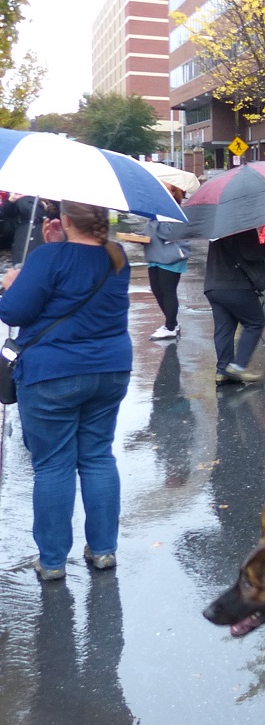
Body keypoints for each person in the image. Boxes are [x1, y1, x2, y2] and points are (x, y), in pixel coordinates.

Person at [0, 201, 133, 581]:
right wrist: (59, 244)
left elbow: (13, 312)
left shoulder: (48, 258)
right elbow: (79, 276)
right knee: (97, 456)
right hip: (110, 369)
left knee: (53, 464)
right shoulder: (117, 256)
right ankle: (104, 550)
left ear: (66, 219)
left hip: (52, 373)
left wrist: (12, 284)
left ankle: (53, 560)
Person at [204, 227, 265, 384]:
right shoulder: (242, 226)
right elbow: (251, 253)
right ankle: (238, 366)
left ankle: (223, 370)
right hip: (235, 284)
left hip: (213, 285)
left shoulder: (217, 227)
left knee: (224, 328)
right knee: (255, 322)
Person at [144, 184, 191, 340]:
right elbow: (150, 232)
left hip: (171, 258)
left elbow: (168, 233)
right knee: (157, 291)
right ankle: (172, 323)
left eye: (166, 189)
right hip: (155, 256)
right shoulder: (156, 211)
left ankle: (170, 327)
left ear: (173, 192)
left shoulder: (176, 212)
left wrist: (156, 220)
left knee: (168, 291)